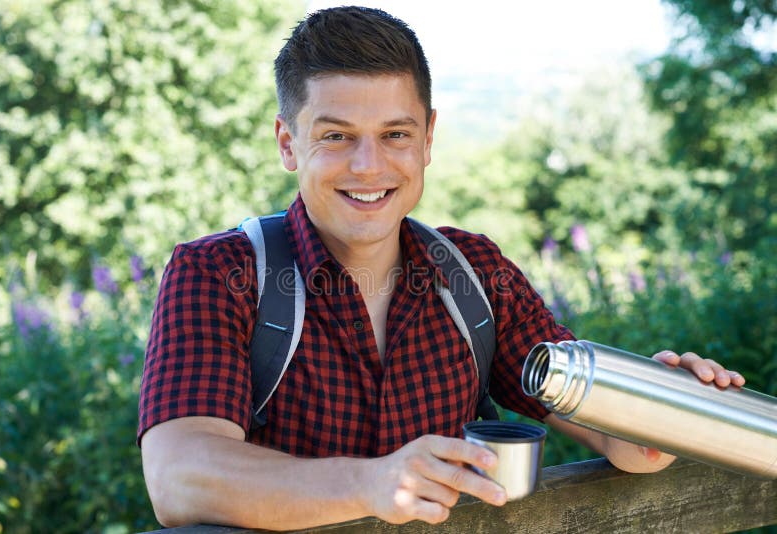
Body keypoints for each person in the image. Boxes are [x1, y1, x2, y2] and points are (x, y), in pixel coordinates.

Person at [137, 6, 745, 530]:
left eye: (395, 133)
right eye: (337, 136)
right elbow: (181, 478)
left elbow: (621, 443)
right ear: (288, 143)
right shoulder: (217, 274)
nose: (369, 166)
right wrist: (374, 484)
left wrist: (665, 412)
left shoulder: (475, 273)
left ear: (428, 138)